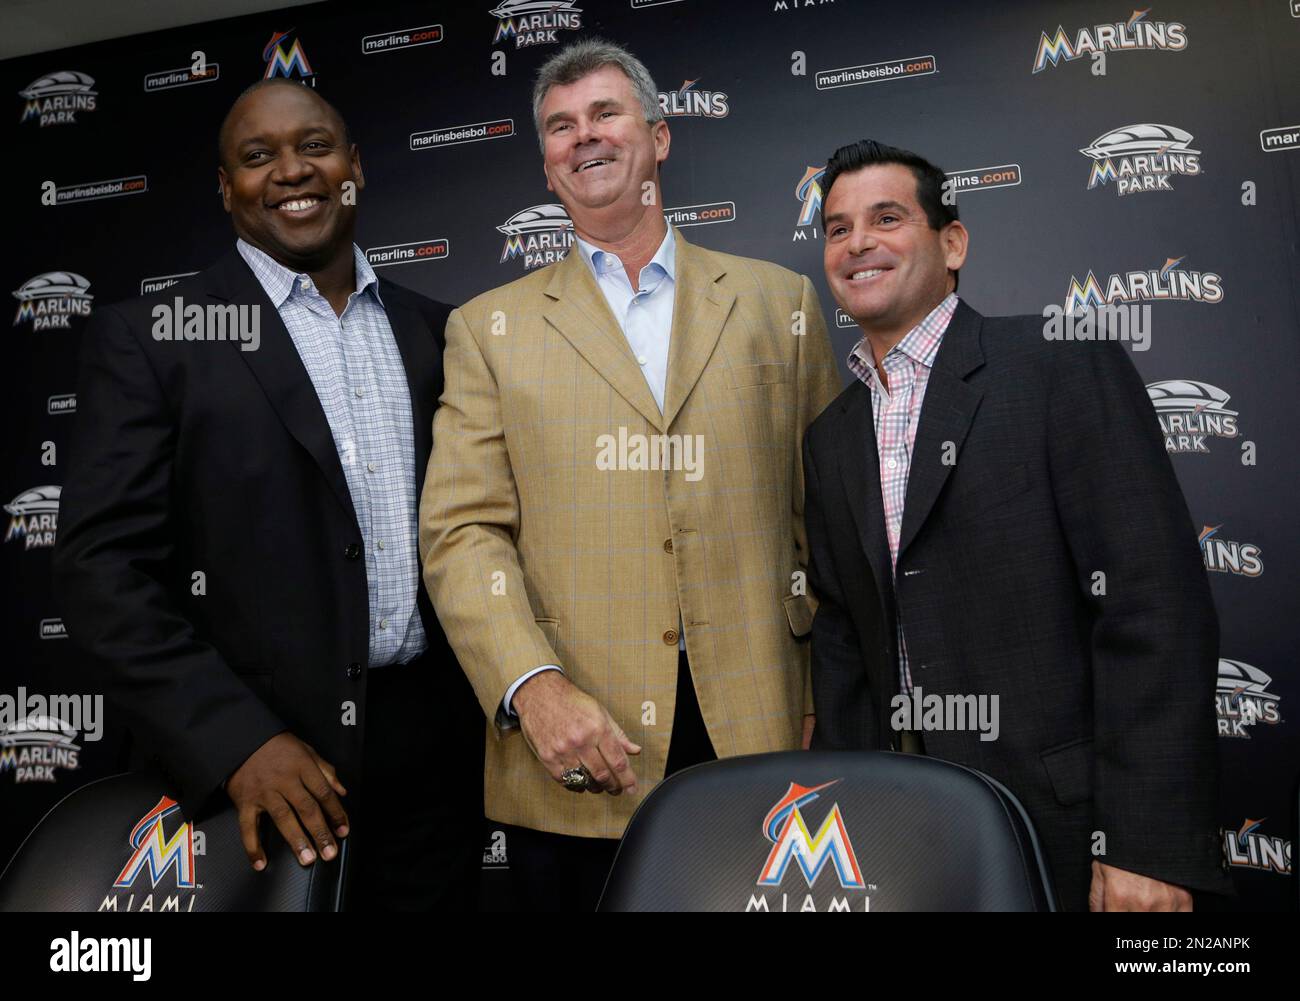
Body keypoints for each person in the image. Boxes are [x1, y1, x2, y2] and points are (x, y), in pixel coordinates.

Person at [420, 39, 841, 911]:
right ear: (546, 164)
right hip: (579, 738)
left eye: (605, 114)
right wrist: (531, 687)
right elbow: (462, 533)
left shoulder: (779, 302)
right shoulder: (486, 329)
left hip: (764, 724)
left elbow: (831, 519)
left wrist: (826, 694)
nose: (585, 138)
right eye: (561, 127)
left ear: (658, 136)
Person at [52, 78, 483, 911]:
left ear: (355, 165)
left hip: (435, 770)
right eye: (258, 157)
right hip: (249, 777)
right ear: (226, 188)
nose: (292, 171)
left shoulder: (444, 332)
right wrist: (238, 740)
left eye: (315, 147)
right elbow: (102, 570)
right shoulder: (155, 338)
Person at [803, 139, 1231, 912]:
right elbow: (843, 645)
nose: (858, 242)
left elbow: (1153, 605)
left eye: (887, 217)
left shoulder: (1057, 363)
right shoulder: (830, 435)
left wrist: (1146, 842)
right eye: (837, 228)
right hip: (897, 838)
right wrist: (843, 816)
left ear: (952, 242)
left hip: (1068, 831)